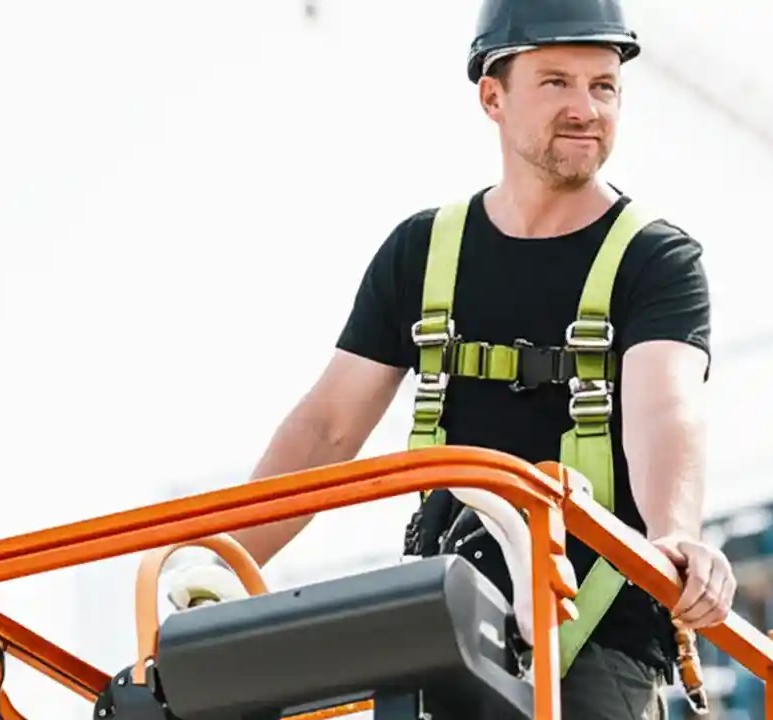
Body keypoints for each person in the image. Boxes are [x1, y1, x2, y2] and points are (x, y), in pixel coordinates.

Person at [222, 0, 737, 716]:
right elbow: (326, 428)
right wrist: (216, 566)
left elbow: (664, 408)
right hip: (444, 636)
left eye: (604, 86)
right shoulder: (423, 253)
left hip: (595, 646)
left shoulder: (653, 260)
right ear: (492, 97)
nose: (586, 108)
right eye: (556, 82)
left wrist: (677, 533)